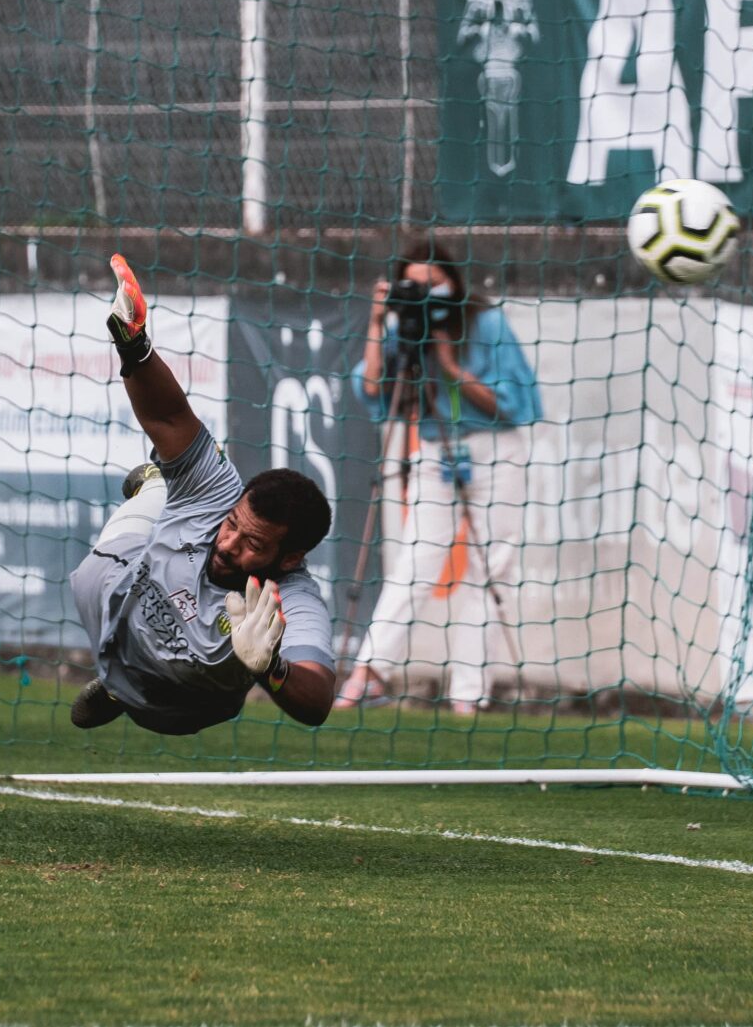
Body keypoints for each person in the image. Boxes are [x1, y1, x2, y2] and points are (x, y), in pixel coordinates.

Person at [68, 254, 337, 735]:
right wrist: (134, 346)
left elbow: (317, 700)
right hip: (116, 599)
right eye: (234, 524)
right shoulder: (218, 496)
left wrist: (271, 668)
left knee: (178, 705)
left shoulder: (290, 601)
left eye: (254, 544)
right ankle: (158, 481)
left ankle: (118, 689)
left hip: (172, 704)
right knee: (106, 555)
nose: (229, 543)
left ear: (290, 557)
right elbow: (170, 417)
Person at [336, 235, 541, 714]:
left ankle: (469, 693)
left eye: (434, 285)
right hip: (433, 447)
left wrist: (449, 365)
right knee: (416, 560)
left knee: (492, 568)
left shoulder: (486, 322)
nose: (425, 295)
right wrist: (378, 321)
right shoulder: (404, 330)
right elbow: (372, 389)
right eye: (414, 286)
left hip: (494, 448)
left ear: (453, 283)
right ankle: (369, 672)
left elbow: (511, 404)